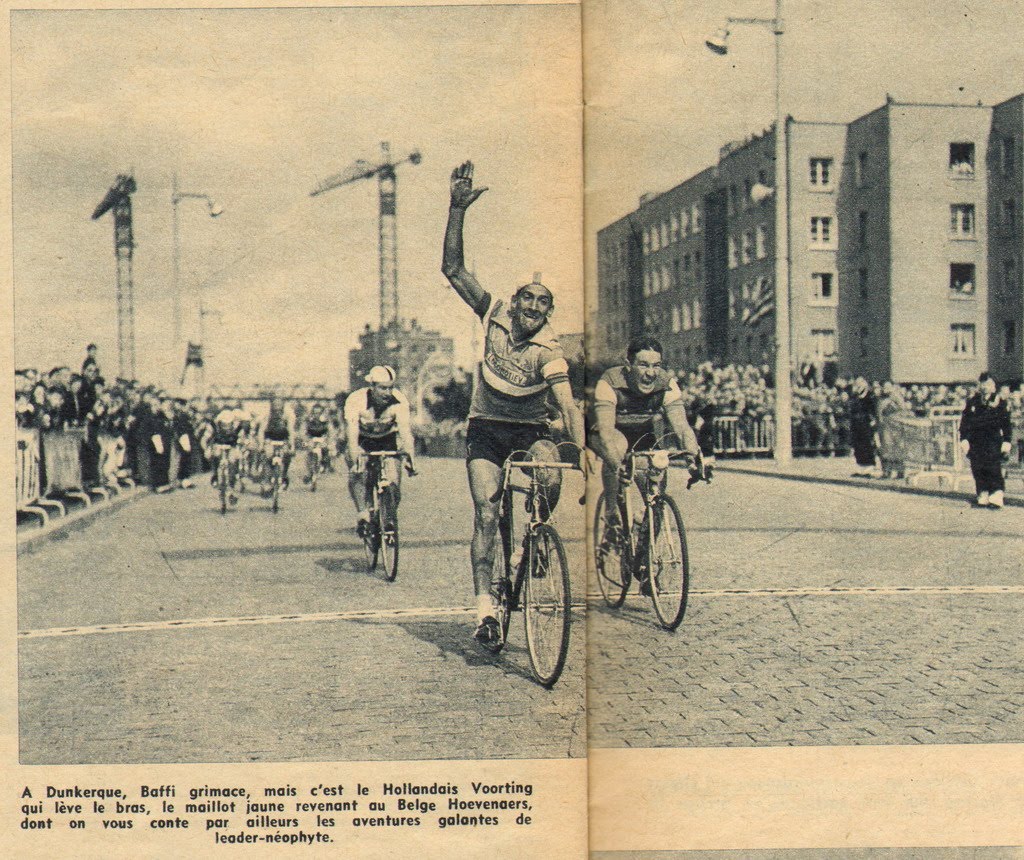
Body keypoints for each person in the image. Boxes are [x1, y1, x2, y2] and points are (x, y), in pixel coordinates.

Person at [442, 160, 586, 650]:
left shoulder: (550, 351)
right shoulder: (493, 315)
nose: (533, 307)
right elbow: (453, 269)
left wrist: (580, 453)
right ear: (515, 299)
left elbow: (565, 405)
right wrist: (456, 209)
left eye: (543, 303)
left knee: (549, 475)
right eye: (528, 298)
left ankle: (534, 540)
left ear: (549, 313)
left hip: (529, 430)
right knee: (486, 512)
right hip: (486, 428)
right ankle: (485, 609)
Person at [590, 336, 703, 592]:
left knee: (656, 501)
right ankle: (612, 516)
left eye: (656, 365)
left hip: (644, 435)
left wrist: (694, 458)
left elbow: (682, 427)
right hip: (612, 435)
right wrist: (617, 465)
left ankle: (642, 565)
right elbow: (606, 432)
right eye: (643, 365)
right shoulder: (610, 382)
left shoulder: (667, 385)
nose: (651, 373)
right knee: (617, 450)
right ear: (628, 364)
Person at [343, 366, 415, 534]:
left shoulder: (400, 401)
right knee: (358, 472)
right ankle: (363, 514)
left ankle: (388, 518)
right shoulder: (356, 400)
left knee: (393, 483)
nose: (387, 393)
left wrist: (410, 458)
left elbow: (405, 433)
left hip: (387, 440)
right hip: (363, 440)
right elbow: (352, 435)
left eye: (391, 387)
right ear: (372, 387)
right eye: (383, 388)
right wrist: (355, 461)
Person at [960, 372, 1012, 508]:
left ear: (994, 386)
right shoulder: (973, 402)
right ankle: (982, 492)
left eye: (988, 384)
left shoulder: (1000, 402)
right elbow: (965, 422)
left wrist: (1006, 442)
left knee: (993, 467)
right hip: (976, 441)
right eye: (982, 384)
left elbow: (1006, 424)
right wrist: (964, 438)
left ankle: (996, 494)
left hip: (992, 440)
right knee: (977, 467)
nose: (985, 387)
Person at [260, 397, 296, 489]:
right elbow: (261, 430)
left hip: (283, 438)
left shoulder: (288, 414)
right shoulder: (267, 414)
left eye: (279, 404)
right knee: (267, 456)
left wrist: (292, 445)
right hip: (270, 439)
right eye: (275, 404)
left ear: (283, 405)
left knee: (287, 455)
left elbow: (290, 430)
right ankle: (267, 479)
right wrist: (261, 444)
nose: (277, 406)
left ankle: (284, 475)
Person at [849, 377, 878, 477]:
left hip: (866, 424)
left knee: (867, 445)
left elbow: (873, 410)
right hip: (856, 424)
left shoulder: (870, 396)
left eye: (860, 384)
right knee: (858, 445)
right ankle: (861, 467)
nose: (858, 386)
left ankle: (869, 468)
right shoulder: (855, 396)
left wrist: (873, 420)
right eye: (857, 384)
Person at [302, 402, 332, 483]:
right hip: (311, 437)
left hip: (322, 438)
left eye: (319, 413)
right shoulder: (308, 420)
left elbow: (330, 431)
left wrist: (328, 441)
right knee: (309, 451)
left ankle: (325, 464)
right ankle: (309, 472)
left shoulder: (325, 420)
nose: (317, 415)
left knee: (326, 449)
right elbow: (304, 430)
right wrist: (305, 440)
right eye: (315, 413)